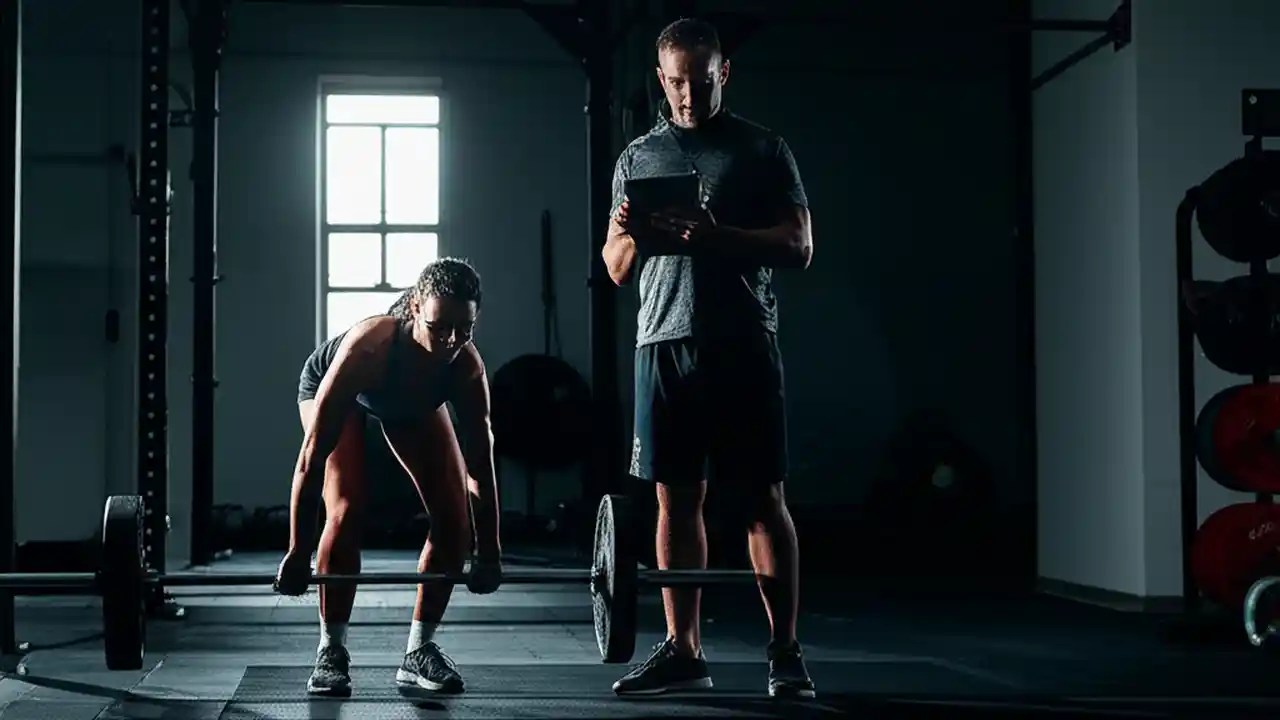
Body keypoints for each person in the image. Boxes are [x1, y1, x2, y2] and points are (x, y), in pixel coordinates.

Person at [601, 17, 816, 699]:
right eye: (676, 82)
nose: (688, 94)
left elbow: (798, 245)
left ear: (725, 73)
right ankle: (684, 651)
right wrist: (633, 234)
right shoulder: (638, 156)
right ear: (660, 79)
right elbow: (613, 266)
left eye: (702, 80)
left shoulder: (762, 149)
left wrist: (717, 236)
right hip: (662, 343)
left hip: (743, 341)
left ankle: (785, 653)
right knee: (674, 498)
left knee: (761, 499)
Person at [274, 257, 503, 697]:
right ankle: (331, 651)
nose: (450, 341)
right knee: (345, 507)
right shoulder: (369, 349)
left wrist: (489, 552)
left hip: (408, 403)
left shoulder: (466, 368)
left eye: (464, 329)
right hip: (339, 387)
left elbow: (481, 466)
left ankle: (419, 651)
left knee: (454, 520)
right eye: (439, 327)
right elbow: (310, 460)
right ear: (415, 307)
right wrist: (297, 551)